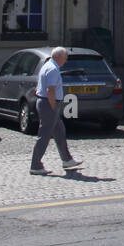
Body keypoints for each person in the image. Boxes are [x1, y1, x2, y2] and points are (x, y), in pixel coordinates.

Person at [29, 47, 84, 175]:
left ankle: (67, 159)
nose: (66, 60)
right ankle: (36, 165)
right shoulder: (53, 69)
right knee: (44, 135)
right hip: (49, 104)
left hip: (46, 103)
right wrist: (53, 107)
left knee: (59, 131)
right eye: (65, 57)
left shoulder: (47, 65)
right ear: (59, 57)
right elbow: (50, 90)